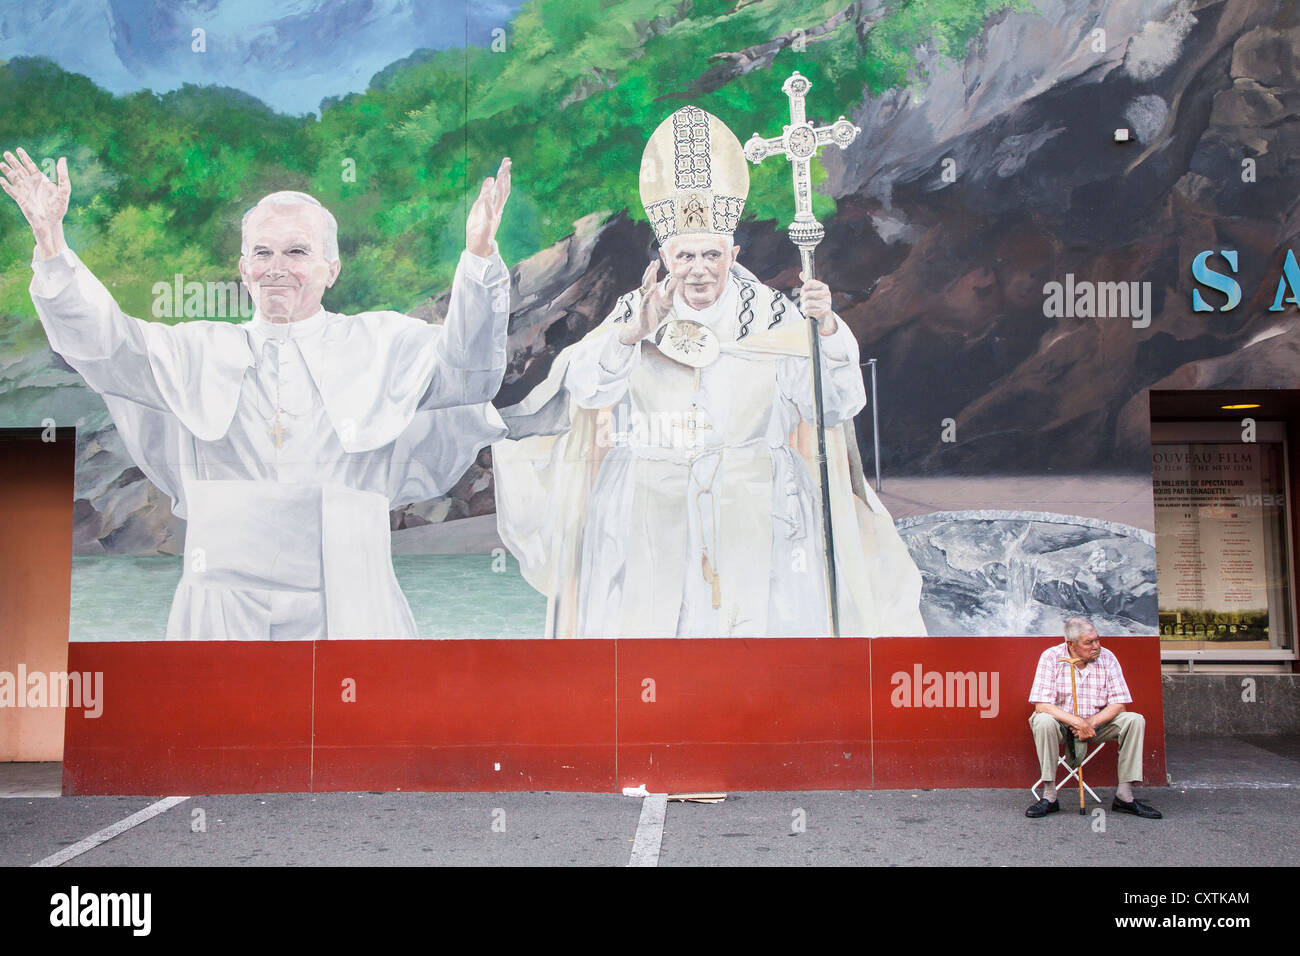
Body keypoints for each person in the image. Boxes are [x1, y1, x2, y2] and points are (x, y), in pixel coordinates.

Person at [1, 146, 513, 639]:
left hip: (349, 583)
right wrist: (51, 244)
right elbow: (105, 344)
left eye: (296, 252)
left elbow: (467, 372)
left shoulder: (382, 341)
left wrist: (478, 259)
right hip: (224, 589)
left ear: (331, 269)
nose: (276, 267)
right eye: (262, 253)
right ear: (243, 268)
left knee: (354, 720)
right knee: (219, 718)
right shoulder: (197, 350)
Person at [492, 106, 925, 637]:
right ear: (667, 255)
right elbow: (583, 388)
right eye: (685, 255)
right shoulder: (638, 309)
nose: (698, 268)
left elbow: (830, 404)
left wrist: (828, 330)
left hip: (756, 504)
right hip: (649, 503)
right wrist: (631, 337)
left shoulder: (771, 314)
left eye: (710, 254)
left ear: (732, 251)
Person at [1026, 616, 1162, 818]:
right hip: (1062, 726)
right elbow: (1042, 704)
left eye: (1097, 640)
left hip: (1096, 725)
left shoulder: (1107, 658)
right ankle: (1049, 795)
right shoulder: (1051, 657)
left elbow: (1119, 703)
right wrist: (1076, 722)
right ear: (1070, 644)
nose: (1096, 646)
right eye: (1089, 642)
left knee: (1134, 720)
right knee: (1042, 720)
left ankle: (1124, 796)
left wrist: (1089, 723)